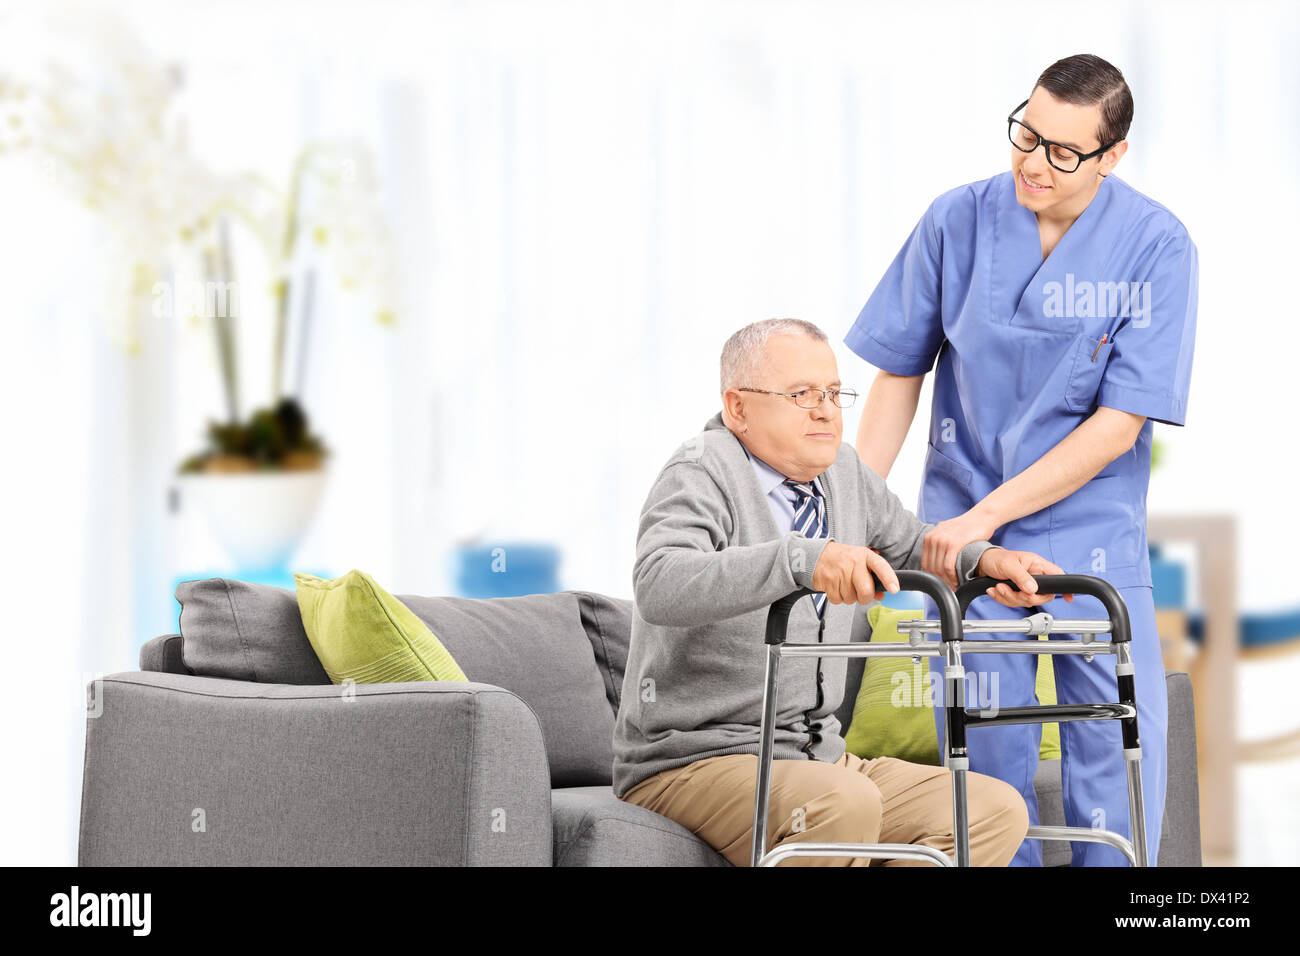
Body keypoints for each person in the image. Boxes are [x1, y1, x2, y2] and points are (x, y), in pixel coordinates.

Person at [844, 54, 1198, 866]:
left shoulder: (1156, 246)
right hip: (965, 542)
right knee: (985, 764)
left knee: (1119, 753)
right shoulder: (956, 221)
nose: (1034, 164)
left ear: (1112, 156)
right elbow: (899, 371)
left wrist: (987, 515)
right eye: (1027, 136)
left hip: (1090, 539)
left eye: (1064, 152)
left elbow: (1118, 425)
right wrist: (854, 503)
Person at [613, 317, 1070, 866]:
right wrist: (802, 559)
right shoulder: (701, 468)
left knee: (990, 810)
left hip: (819, 759)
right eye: (802, 394)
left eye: (833, 393)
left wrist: (986, 562)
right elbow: (659, 581)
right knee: (842, 802)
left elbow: (912, 545)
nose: (826, 411)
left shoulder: (844, 473)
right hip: (695, 761)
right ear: (738, 408)